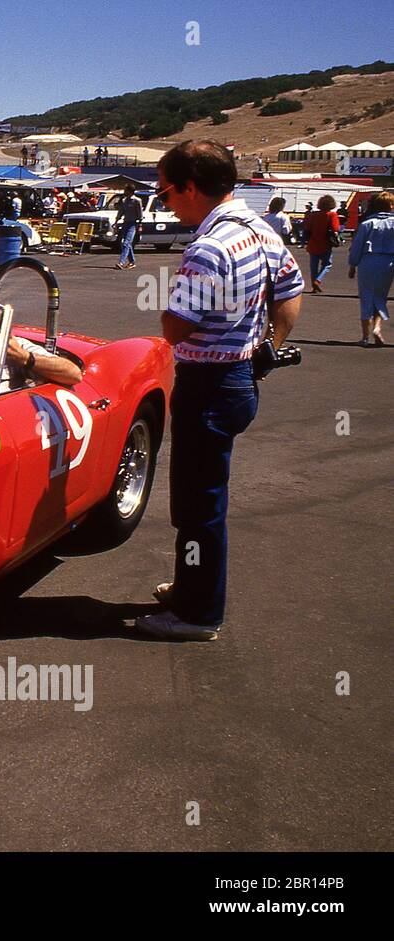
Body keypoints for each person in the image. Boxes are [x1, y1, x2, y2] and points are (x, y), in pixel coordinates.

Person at [137, 140, 304, 642]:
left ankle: (198, 612)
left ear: (191, 187)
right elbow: (291, 293)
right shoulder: (261, 230)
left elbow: (176, 326)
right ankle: (192, 585)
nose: (167, 203)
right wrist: (268, 348)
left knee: (199, 504)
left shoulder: (208, 249)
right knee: (201, 497)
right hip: (238, 379)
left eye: (167, 193)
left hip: (208, 385)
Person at [347, 190, 394, 347]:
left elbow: (357, 247)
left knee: (366, 295)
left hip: (368, 260)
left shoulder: (367, 224)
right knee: (381, 296)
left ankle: (365, 336)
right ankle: (377, 327)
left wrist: (353, 264)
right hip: (388, 261)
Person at [302, 194, 341, 292]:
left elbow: (307, 228)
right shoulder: (332, 215)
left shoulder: (313, 215)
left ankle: (313, 286)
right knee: (327, 264)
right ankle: (318, 280)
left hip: (313, 243)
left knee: (313, 266)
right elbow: (335, 229)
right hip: (325, 244)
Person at [115, 184, 143, 270]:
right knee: (126, 243)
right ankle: (132, 262)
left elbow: (140, 214)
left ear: (129, 191)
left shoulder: (137, 201)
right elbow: (121, 212)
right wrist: (116, 221)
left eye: (125, 190)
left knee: (126, 242)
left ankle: (121, 262)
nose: (124, 191)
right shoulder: (124, 200)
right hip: (125, 223)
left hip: (133, 224)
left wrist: (140, 225)